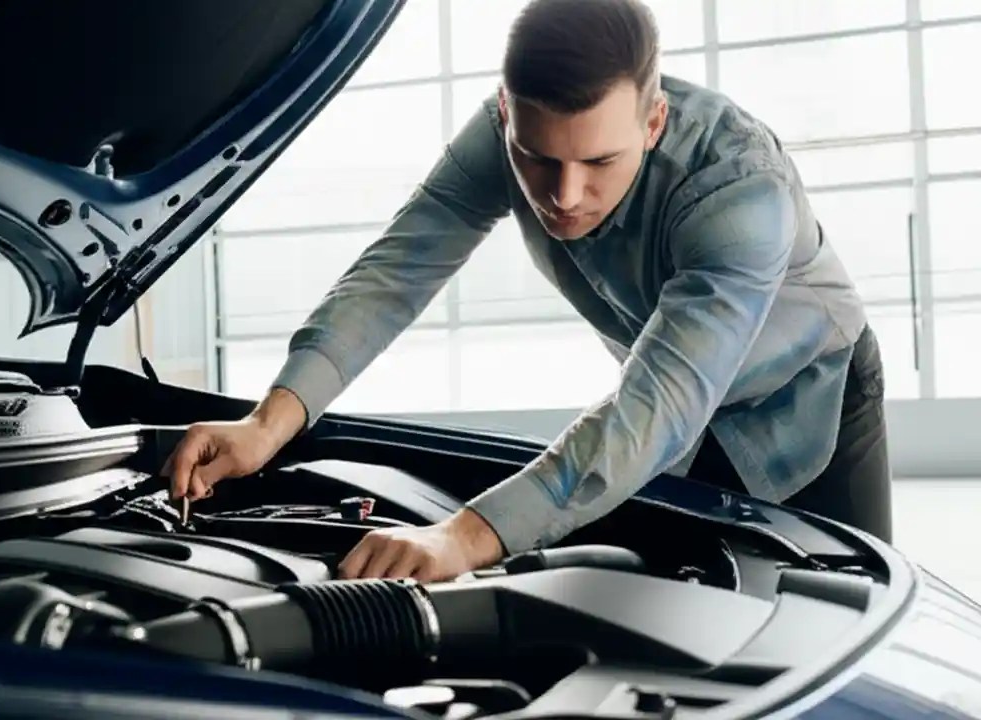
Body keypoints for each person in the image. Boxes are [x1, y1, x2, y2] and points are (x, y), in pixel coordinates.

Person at [162, 0, 892, 583]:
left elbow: (660, 404)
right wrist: (267, 424)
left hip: (812, 397)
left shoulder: (740, 193)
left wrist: (466, 536)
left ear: (655, 119)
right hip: (662, 411)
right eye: (537, 159)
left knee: (851, 604)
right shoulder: (498, 134)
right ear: (508, 115)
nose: (565, 197)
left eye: (599, 161)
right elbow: (395, 273)